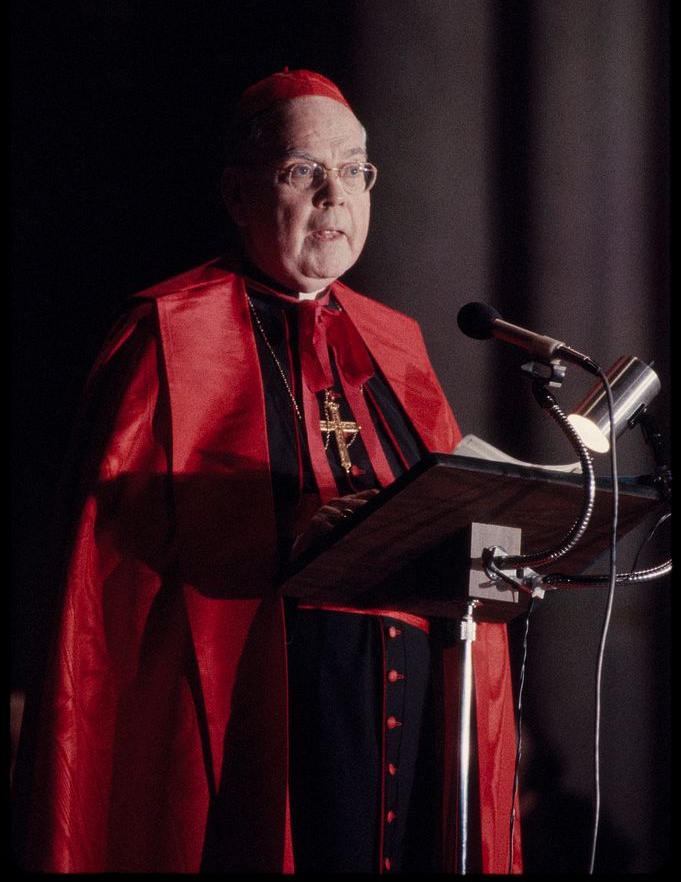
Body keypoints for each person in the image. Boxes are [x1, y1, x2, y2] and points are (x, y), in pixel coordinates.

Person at [12, 69, 522, 874]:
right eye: (301, 171)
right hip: (258, 726)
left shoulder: (395, 343)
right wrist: (279, 529)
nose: (335, 194)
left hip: (416, 716)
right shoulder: (167, 334)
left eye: (354, 169)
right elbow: (117, 556)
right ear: (238, 192)